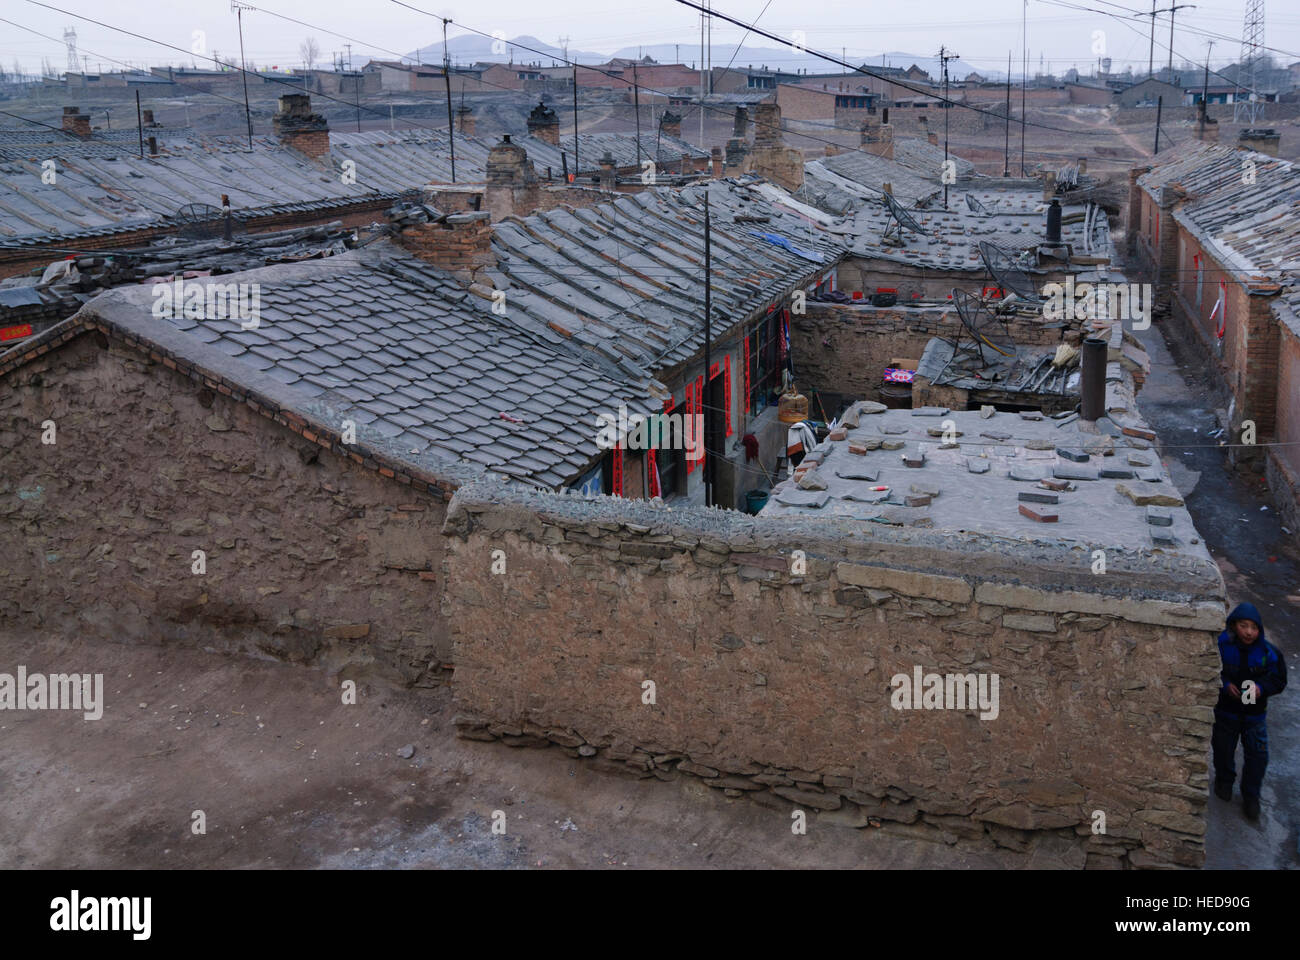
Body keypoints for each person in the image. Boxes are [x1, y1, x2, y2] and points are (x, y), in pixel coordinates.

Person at [1211, 602, 1287, 820]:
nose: (1249, 632)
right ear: (1234, 625)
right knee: (1223, 750)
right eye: (1244, 626)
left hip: (1255, 717)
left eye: (1254, 627)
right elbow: (1211, 669)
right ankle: (1224, 781)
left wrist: (1260, 688)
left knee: (1257, 757)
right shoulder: (1222, 646)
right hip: (1226, 713)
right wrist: (1225, 685)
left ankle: (1251, 796)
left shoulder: (1268, 652)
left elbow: (1279, 679)